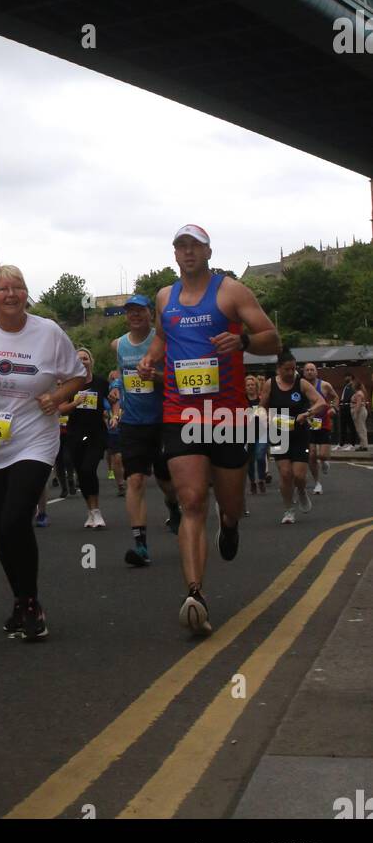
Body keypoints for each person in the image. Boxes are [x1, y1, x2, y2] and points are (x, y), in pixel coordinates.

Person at [139, 225, 279, 635]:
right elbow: (163, 340)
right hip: (181, 413)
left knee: (229, 504)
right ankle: (195, 593)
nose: (187, 252)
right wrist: (149, 360)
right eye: (180, 246)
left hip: (228, 417)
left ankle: (231, 524)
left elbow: (273, 338)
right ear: (174, 254)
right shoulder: (165, 297)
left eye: (194, 246)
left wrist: (244, 344)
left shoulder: (231, 291)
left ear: (208, 251)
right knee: (192, 500)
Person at [0, 265, 86, 641]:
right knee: (0, 527)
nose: (10, 294)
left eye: (17, 287)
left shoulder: (48, 333)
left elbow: (77, 376)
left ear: (26, 293)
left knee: (14, 519)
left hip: (34, 437)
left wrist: (55, 397)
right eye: (2, 289)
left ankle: (31, 602)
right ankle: (22, 599)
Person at [113, 294, 180, 568]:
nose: (135, 316)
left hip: (163, 421)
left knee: (167, 483)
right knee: (135, 480)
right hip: (132, 423)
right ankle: (140, 545)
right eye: (130, 312)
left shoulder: (162, 342)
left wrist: (157, 377)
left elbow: (177, 378)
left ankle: (173, 506)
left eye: (140, 311)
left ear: (150, 314)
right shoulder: (118, 345)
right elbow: (121, 378)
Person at [260, 351, 325, 523]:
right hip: (278, 433)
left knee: (299, 476)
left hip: (299, 434)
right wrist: (264, 417)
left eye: (294, 369)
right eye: (287, 369)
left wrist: (307, 413)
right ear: (278, 369)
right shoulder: (270, 384)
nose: (291, 373)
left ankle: (302, 491)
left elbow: (321, 402)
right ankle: (288, 510)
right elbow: (261, 407)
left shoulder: (301, 383)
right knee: (285, 473)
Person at [59, 348, 110, 527]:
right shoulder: (70, 384)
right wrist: (75, 403)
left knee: (89, 468)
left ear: (91, 361)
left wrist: (116, 413)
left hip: (96, 433)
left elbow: (114, 399)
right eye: (78, 359)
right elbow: (61, 409)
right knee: (81, 472)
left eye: (85, 358)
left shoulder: (101, 382)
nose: (82, 361)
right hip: (75, 434)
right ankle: (91, 512)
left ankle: (96, 511)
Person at [302, 362, 338, 491]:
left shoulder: (324, 385)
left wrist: (333, 407)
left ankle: (323, 461)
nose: (310, 372)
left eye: (312, 370)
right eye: (307, 370)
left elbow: (335, 397)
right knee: (311, 455)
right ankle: (317, 483)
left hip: (324, 423)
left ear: (316, 372)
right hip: (309, 424)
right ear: (304, 372)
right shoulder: (301, 386)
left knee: (322, 455)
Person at [244, 374, 268, 497]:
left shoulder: (261, 399)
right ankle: (252, 481)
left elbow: (269, 412)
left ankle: (262, 479)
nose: (250, 387)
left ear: (256, 386)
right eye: (248, 385)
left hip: (262, 432)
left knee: (260, 456)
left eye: (252, 384)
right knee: (250, 460)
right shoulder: (242, 401)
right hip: (247, 434)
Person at [339, 375, 356, 449]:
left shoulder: (353, 386)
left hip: (349, 407)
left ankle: (352, 443)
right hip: (343, 407)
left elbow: (351, 396)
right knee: (343, 426)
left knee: (351, 426)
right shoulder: (345, 386)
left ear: (351, 378)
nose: (345, 378)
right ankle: (341, 443)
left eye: (347, 377)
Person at [351, 379, 369, 451]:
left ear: (355, 386)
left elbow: (358, 404)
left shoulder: (358, 393)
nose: (352, 386)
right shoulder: (359, 392)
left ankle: (364, 445)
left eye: (353, 385)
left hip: (360, 411)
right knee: (360, 428)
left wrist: (355, 413)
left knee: (361, 429)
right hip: (360, 411)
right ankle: (362, 444)